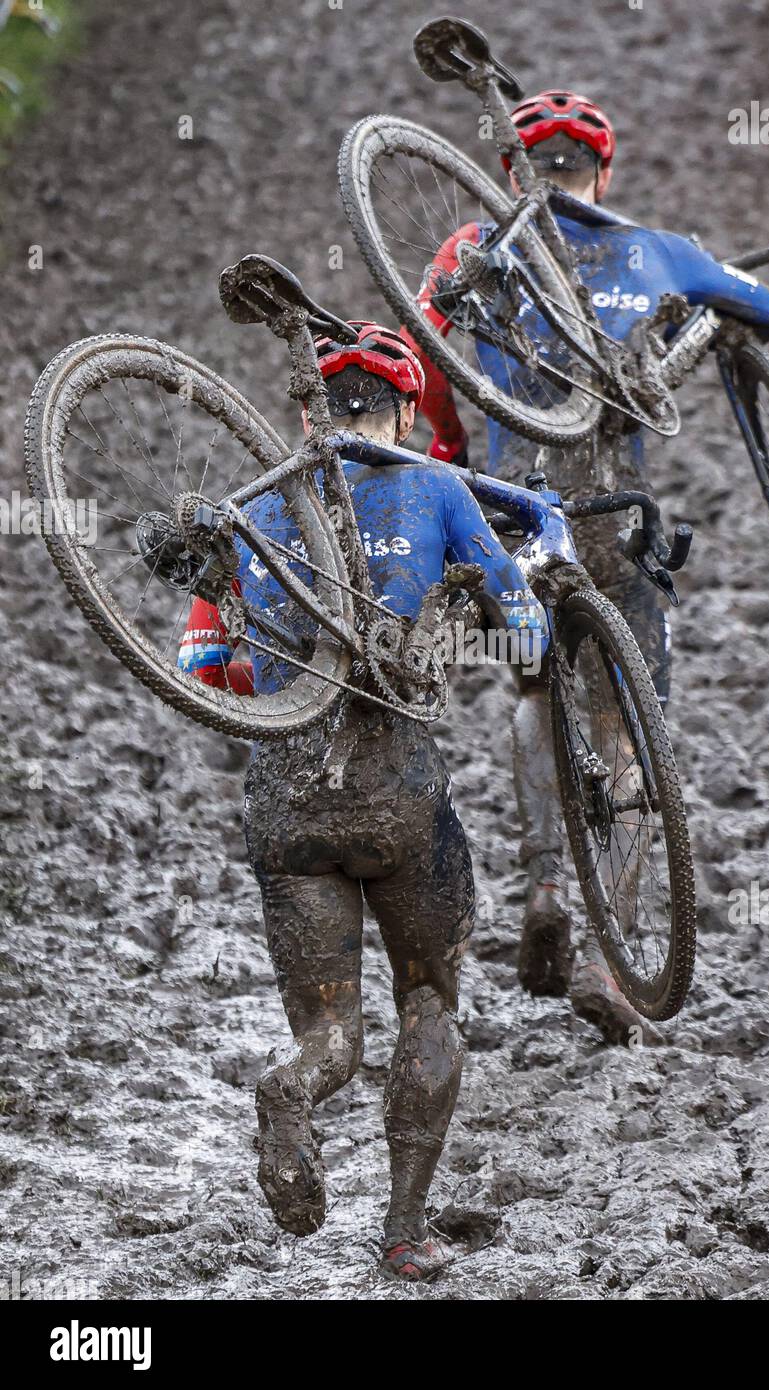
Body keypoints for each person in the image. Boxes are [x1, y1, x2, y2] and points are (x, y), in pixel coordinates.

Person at [407, 90, 769, 1042]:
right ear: (603, 173)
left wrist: (457, 446)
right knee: (623, 726)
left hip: (514, 511)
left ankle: (546, 881)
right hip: (615, 510)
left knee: (537, 693)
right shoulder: (656, 247)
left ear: (512, 173)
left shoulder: (475, 247)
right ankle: (609, 958)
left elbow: (422, 352)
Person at [178, 323, 548, 1280]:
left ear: (309, 410)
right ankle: (403, 1230)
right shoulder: (436, 487)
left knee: (331, 1033)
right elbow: (527, 637)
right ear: (408, 414)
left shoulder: (252, 508)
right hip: (401, 806)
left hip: (287, 806)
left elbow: (205, 671)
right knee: (429, 998)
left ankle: (292, 1085)